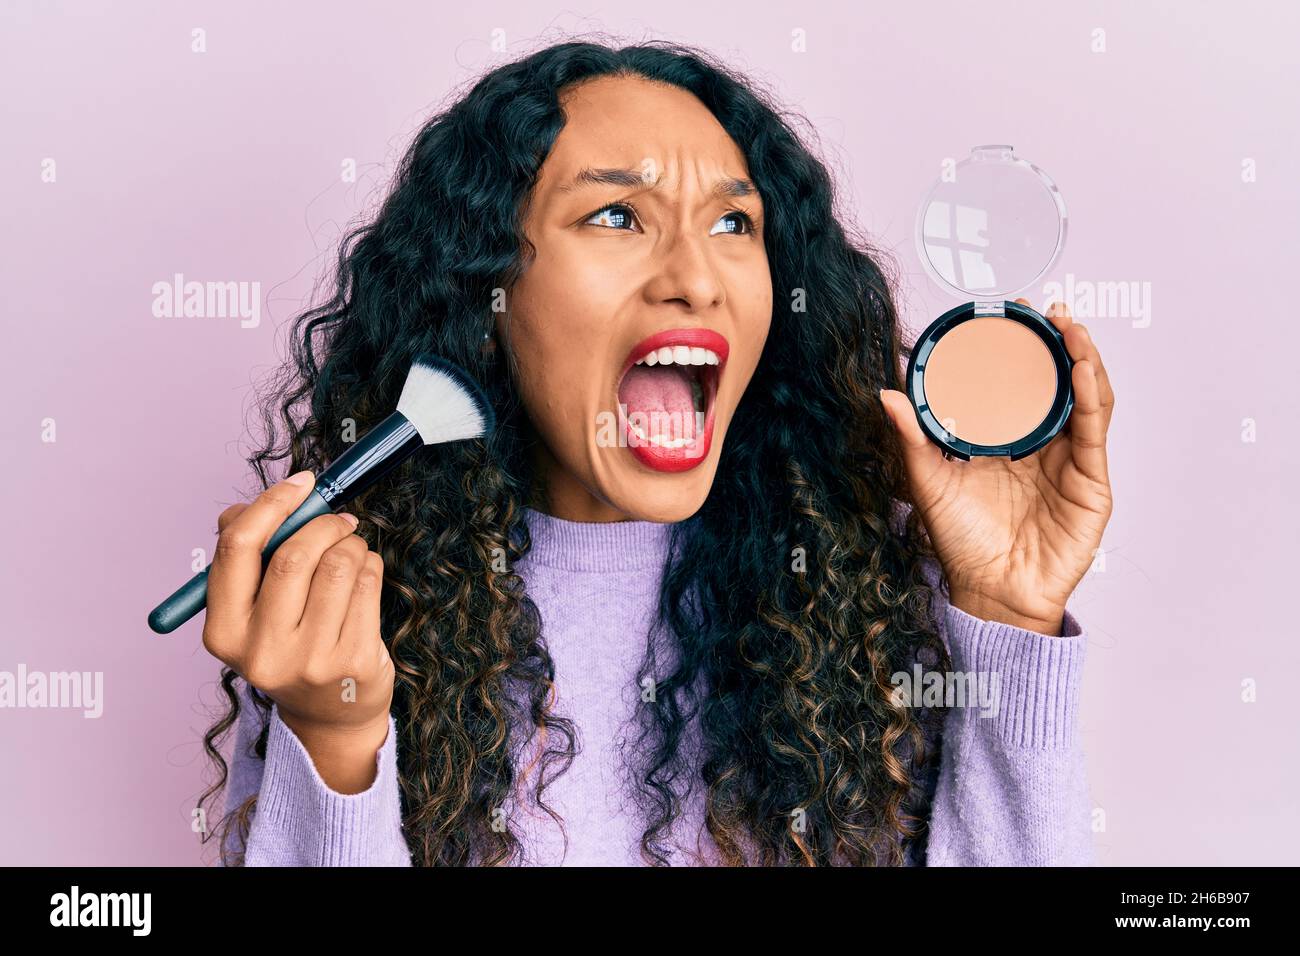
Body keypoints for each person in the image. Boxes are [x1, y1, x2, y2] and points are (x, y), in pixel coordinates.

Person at [195, 40, 1114, 866]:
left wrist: (1007, 622)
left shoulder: (860, 603)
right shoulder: (349, 624)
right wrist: (335, 739)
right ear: (487, 290)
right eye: (617, 217)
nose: (694, 278)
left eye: (731, 225)